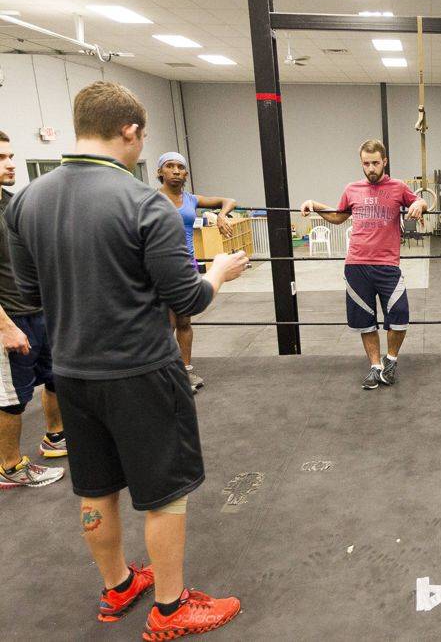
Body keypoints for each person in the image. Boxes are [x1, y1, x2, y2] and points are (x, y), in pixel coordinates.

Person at [5, 81, 248, 638]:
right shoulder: (145, 205)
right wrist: (216, 272)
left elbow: (31, 294)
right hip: (141, 371)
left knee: (96, 486)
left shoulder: (26, 201)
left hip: (71, 373)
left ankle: (118, 587)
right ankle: (169, 607)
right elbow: (187, 300)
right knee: (165, 490)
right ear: (131, 131)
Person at [301, 139, 427, 389]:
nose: (371, 168)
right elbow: (338, 217)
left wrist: (417, 204)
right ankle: (375, 366)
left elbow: (419, 201)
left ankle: (390, 361)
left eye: (375, 163)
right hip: (356, 264)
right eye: (366, 163)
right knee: (365, 320)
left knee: (400, 314)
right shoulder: (352, 189)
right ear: (361, 163)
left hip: (387, 265)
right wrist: (314, 205)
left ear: (384, 162)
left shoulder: (398, 187)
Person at [0, 131, 65, 489]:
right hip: (10, 318)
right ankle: (9, 466)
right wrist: (6, 327)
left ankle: (54, 437)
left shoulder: (12, 204)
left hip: (40, 311)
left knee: (56, 377)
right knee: (13, 399)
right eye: (1, 158)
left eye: (10, 156)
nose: (10, 163)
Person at [156, 151, 239, 393]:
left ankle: (186, 370)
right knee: (166, 323)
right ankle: (164, 374)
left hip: (187, 266)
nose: (175, 171)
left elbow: (228, 200)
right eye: (169, 166)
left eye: (180, 167)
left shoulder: (191, 199)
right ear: (160, 172)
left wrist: (222, 215)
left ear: (186, 173)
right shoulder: (152, 199)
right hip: (161, 266)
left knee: (184, 320)